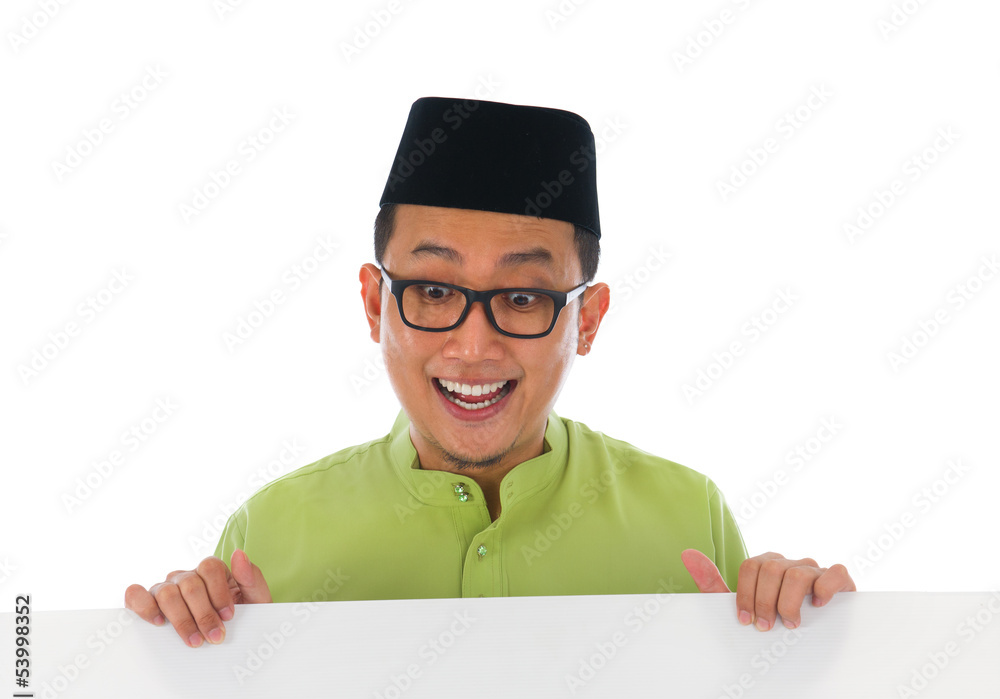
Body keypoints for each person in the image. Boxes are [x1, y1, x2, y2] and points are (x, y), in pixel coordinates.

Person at [125, 97, 855, 648]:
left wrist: (810, 644)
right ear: (377, 305)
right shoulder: (271, 535)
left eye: (525, 297)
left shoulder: (687, 518)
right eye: (435, 291)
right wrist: (194, 661)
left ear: (588, 320)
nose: (474, 347)